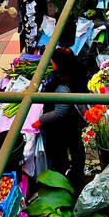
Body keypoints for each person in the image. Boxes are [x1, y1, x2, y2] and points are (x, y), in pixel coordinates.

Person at [38, 47, 87, 193]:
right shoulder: (77, 70)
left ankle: (66, 181)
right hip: (74, 123)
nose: (51, 63)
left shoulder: (61, 85)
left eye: (53, 61)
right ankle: (78, 175)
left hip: (63, 126)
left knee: (61, 153)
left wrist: (40, 120)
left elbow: (59, 112)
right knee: (77, 148)